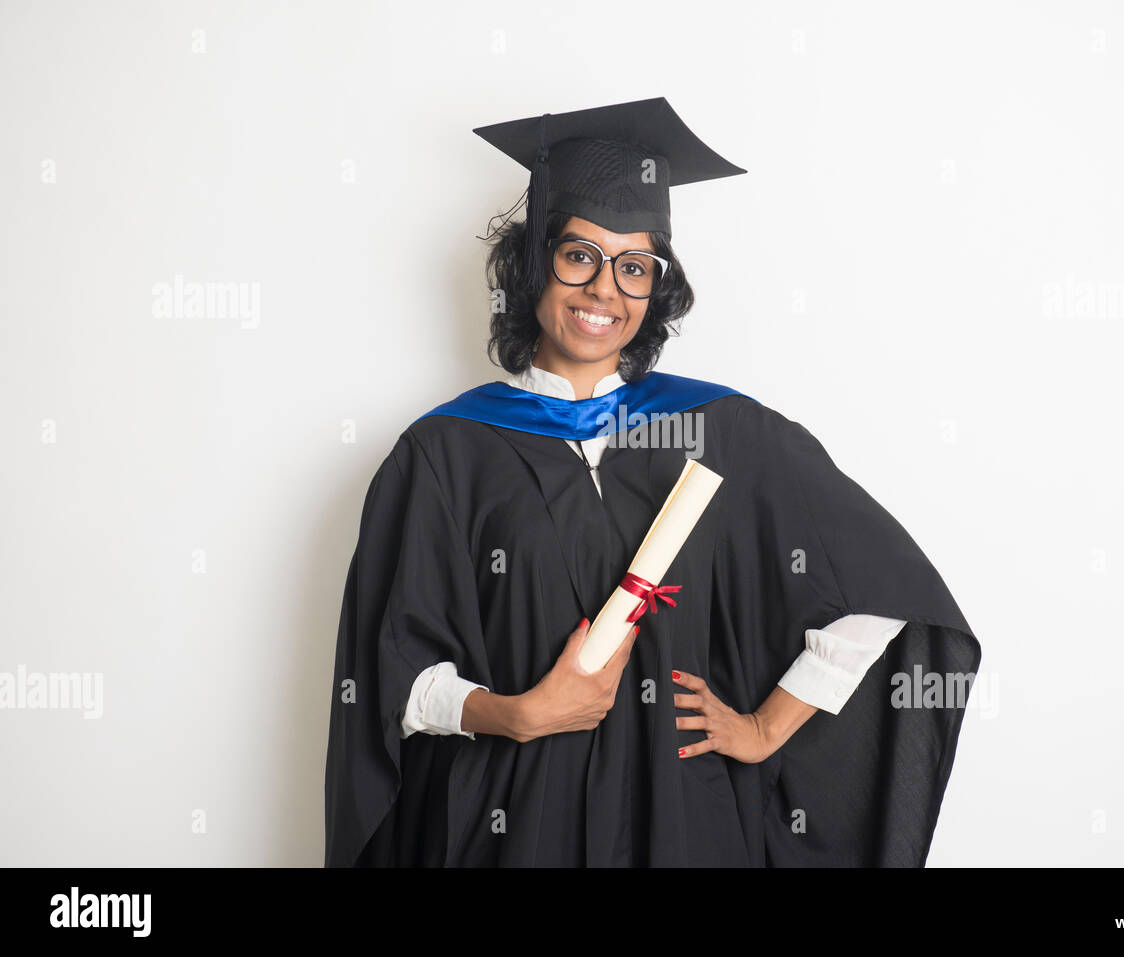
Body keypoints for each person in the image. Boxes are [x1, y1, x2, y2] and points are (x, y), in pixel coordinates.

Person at [324, 97, 981, 867]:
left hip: (686, 823)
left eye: (634, 266)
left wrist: (767, 725)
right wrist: (517, 713)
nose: (605, 289)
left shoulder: (723, 432)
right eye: (580, 256)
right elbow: (390, 674)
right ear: (535, 261)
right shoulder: (446, 453)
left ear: (653, 289)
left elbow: (880, 585)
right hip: (513, 827)